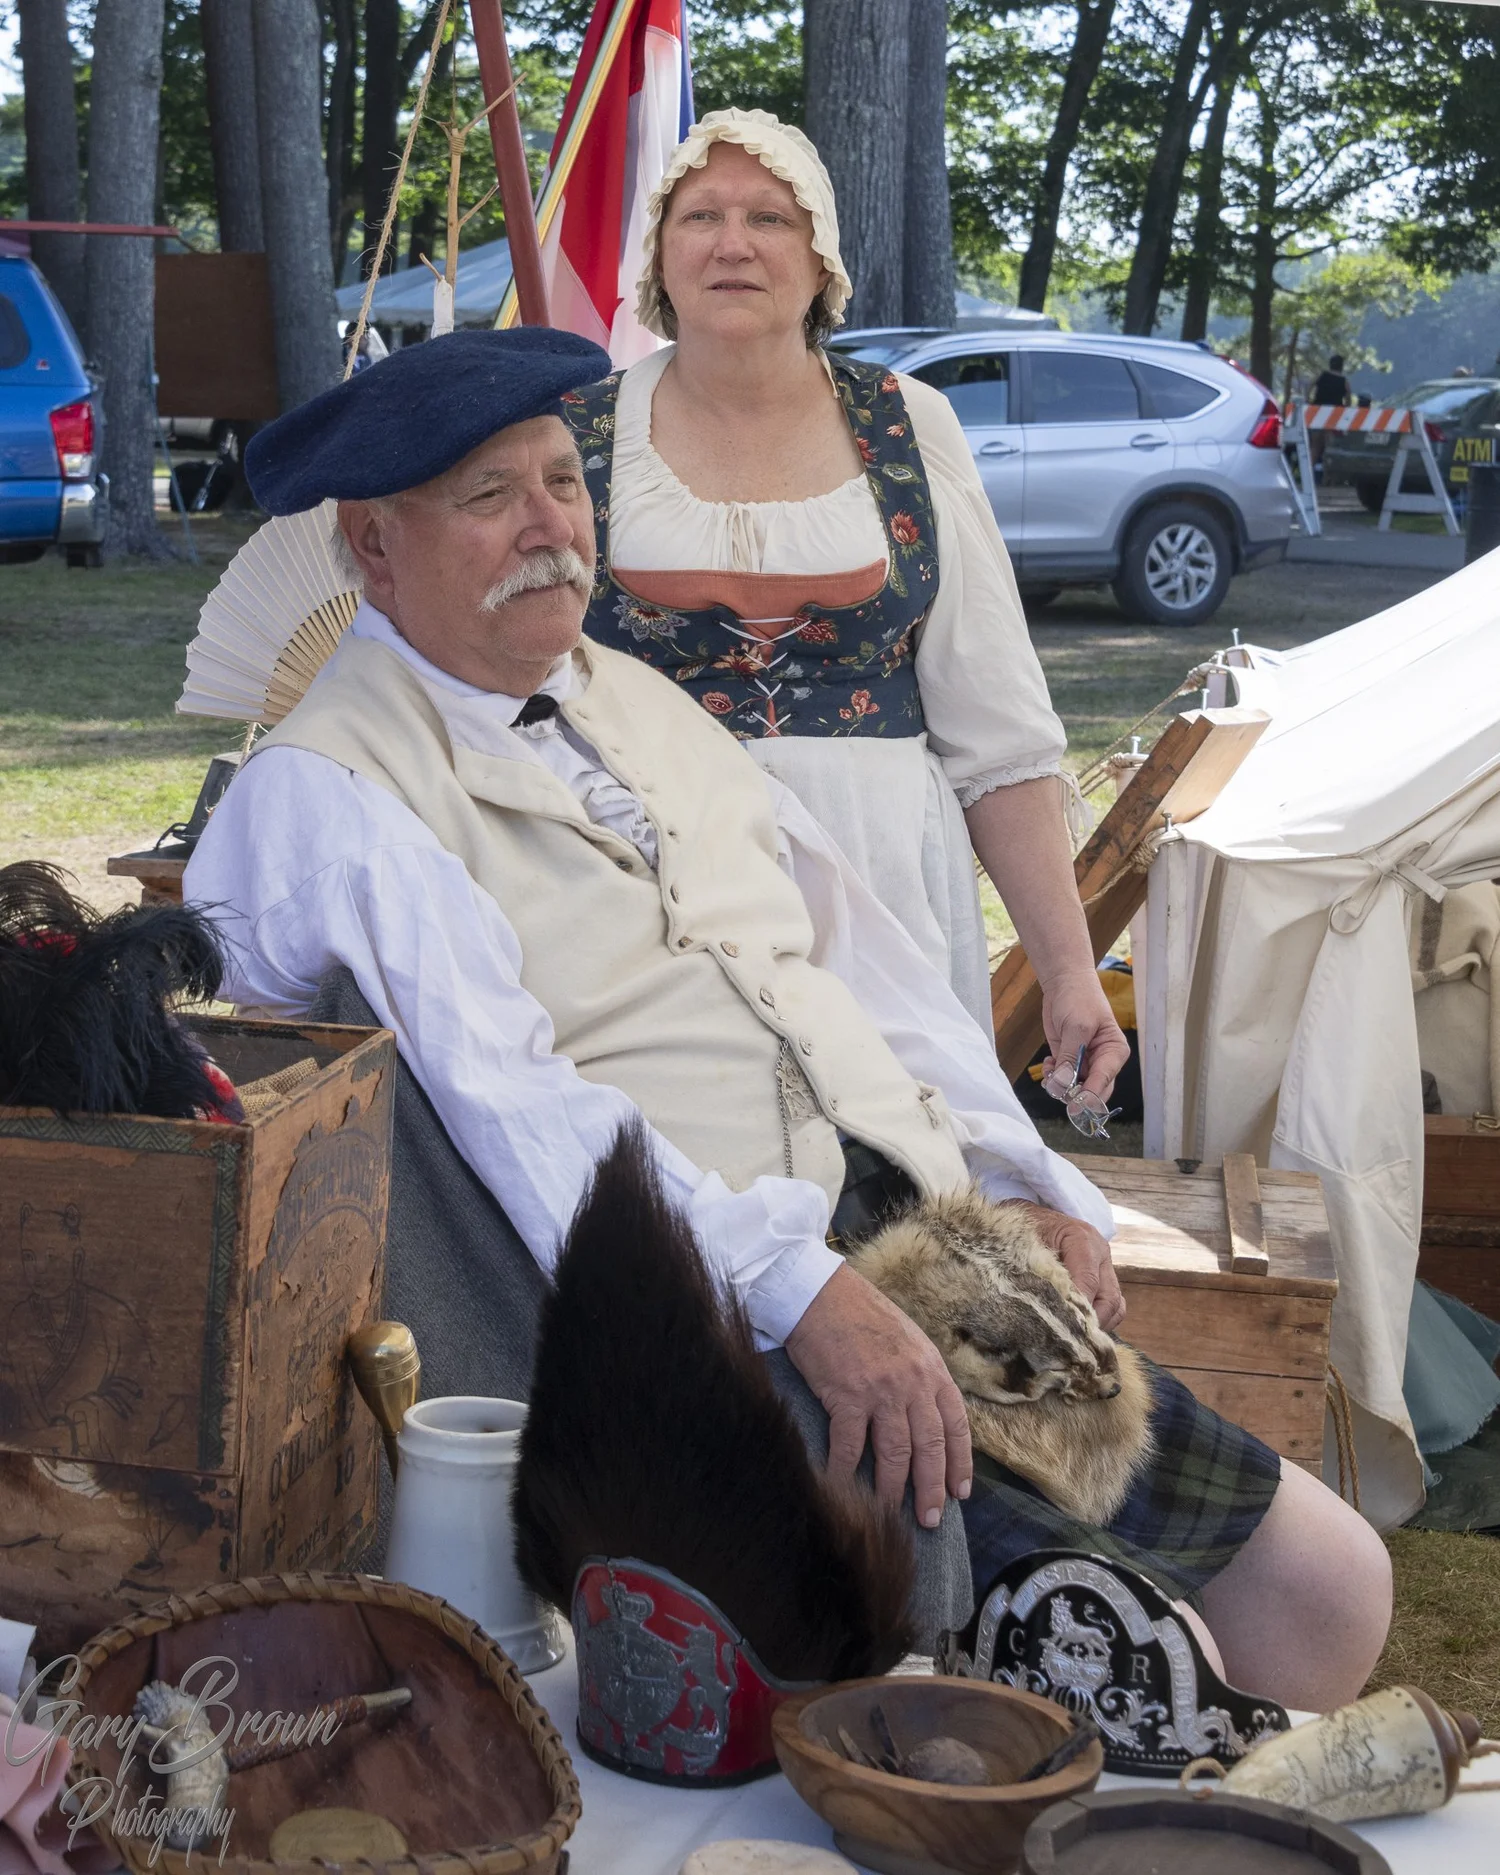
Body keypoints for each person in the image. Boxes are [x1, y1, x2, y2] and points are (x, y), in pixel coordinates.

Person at [185, 327, 1390, 1706]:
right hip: (725, 1320)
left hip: (916, 1234)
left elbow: (861, 961)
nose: (551, 530)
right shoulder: (331, 789)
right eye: (489, 499)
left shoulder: (634, 696)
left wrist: (1014, 1172)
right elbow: (520, 1115)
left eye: (566, 486)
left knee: (1329, 1594)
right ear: (372, 549)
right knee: (1139, 1701)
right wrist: (801, 1292)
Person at [563, 109, 1127, 1115]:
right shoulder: (580, 436)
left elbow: (996, 736)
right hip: (654, 889)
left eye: (770, 218)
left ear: (821, 260)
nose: (733, 243)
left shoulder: (911, 426)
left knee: (887, 1191)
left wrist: (1070, 975)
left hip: (879, 881)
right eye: (701, 216)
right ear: (658, 255)